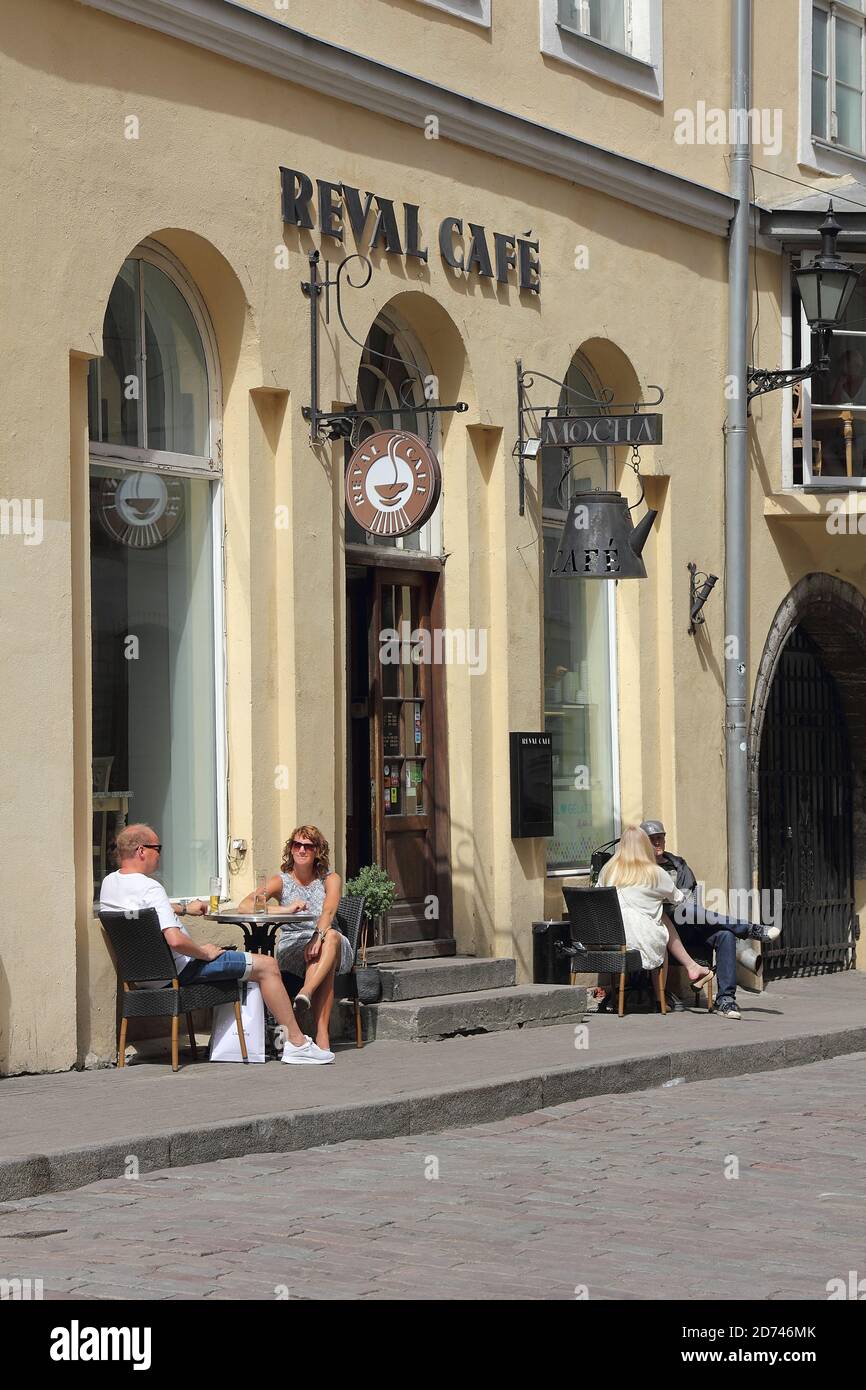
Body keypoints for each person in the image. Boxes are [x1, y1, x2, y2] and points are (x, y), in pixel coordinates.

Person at [100, 824, 334, 1064]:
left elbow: (143, 913)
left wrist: (183, 909)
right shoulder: (150, 887)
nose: (159, 854)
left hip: (145, 976)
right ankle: (296, 1043)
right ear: (141, 851)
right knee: (267, 965)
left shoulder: (110, 884)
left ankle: (276, 1039)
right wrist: (204, 952)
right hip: (184, 968)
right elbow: (176, 940)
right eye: (157, 848)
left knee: (256, 963)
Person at [640, 818, 782, 1021]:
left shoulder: (678, 864)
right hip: (659, 926)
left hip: (687, 923)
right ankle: (749, 929)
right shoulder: (639, 868)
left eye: (660, 838)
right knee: (682, 911)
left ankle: (725, 1000)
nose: (657, 843)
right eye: (652, 839)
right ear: (643, 842)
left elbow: (687, 900)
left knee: (724, 935)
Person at [239, 825, 351, 1058]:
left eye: (308, 846)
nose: (301, 850)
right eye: (297, 845)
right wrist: (285, 909)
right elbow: (246, 905)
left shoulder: (330, 879)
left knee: (329, 940)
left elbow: (328, 913)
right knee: (322, 961)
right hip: (293, 945)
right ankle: (322, 1038)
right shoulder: (281, 881)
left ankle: (305, 993)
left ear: (318, 851)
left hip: (330, 940)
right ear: (290, 849)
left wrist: (317, 937)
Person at [598, 825, 715, 1006]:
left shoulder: (607, 870)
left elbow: (599, 897)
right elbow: (679, 899)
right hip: (639, 940)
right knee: (661, 926)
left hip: (609, 937)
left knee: (658, 919)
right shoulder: (654, 873)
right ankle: (661, 998)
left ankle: (691, 967)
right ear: (645, 846)